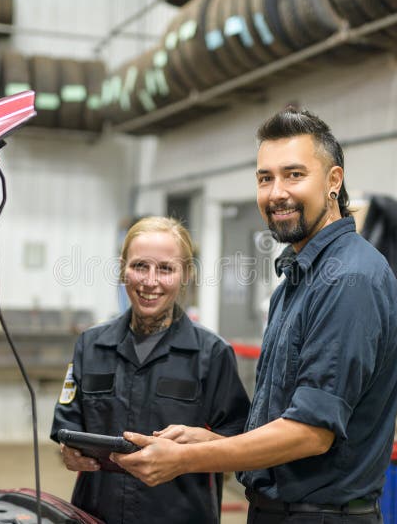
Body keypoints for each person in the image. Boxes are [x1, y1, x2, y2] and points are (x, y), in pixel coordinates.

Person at [113, 109, 397, 524]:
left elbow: (310, 432)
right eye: (265, 178)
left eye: (294, 175)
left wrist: (189, 457)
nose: (276, 193)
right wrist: (210, 439)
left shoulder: (348, 279)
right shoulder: (298, 277)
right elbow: (287, 417)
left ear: (333, 182)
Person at [50, 216, 250, 524]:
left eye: (166, 269)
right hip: (96, 516)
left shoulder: (212, 354)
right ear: (122, 269)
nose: (150, 281)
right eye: (140, 266)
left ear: (187, 275)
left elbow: (242, 445)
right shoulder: (91, 345)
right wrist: (68, 452)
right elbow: (68, 427)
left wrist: (204, 443)